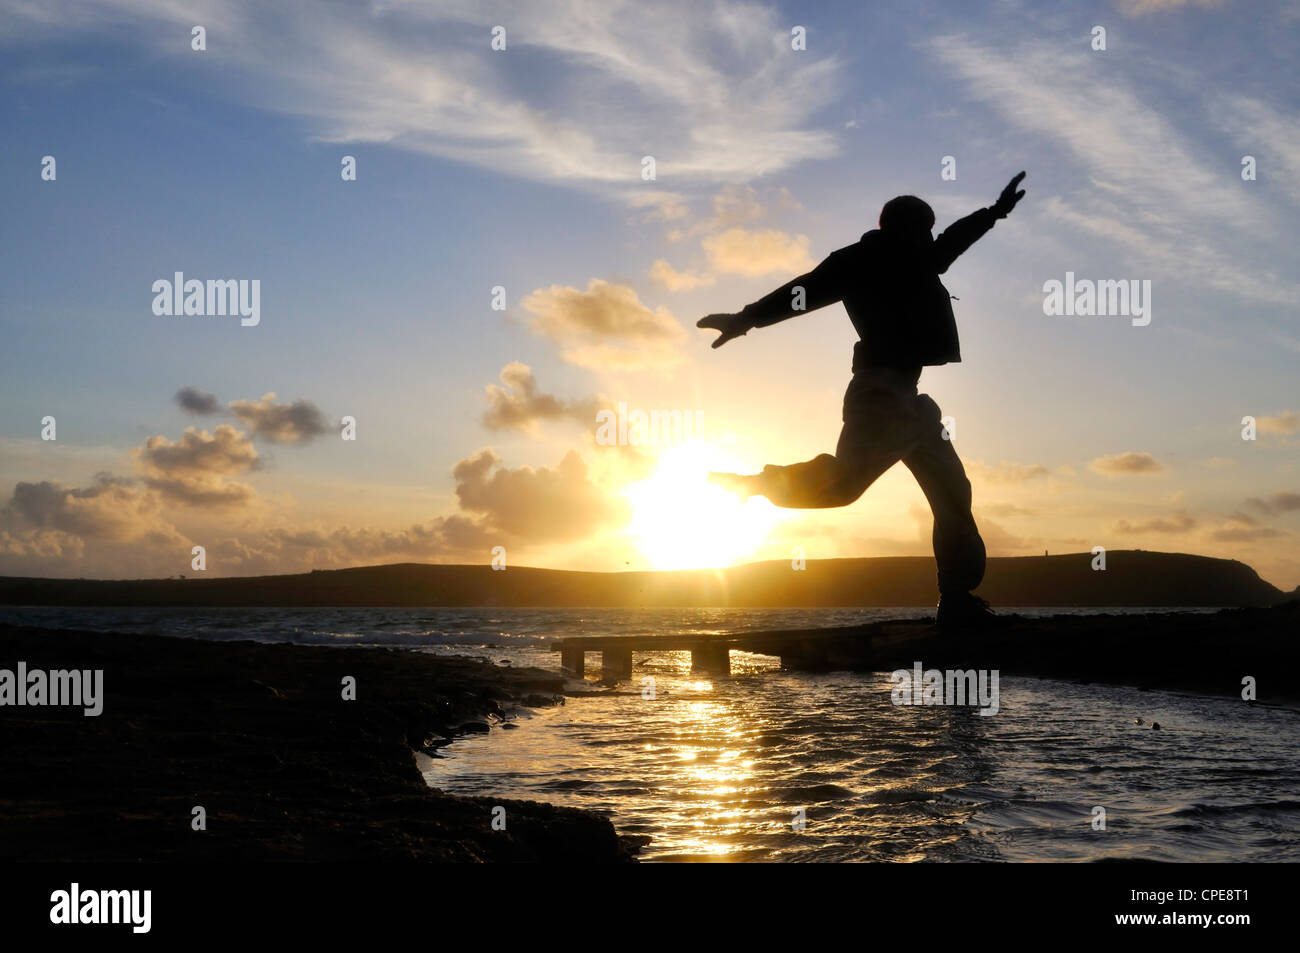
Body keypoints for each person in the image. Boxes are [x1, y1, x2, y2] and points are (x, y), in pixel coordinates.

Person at [698, 173, 1027, 627]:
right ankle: (754, 484)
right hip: (880, 396)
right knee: (841, 488)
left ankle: (956, 599)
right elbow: (802, 292)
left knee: (953, 492)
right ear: (902, 229)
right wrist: (746, 318)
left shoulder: (919, 256)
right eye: (924, 229)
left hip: (910, 400)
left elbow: (951, 242)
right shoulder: (858, 262)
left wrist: (993, 213)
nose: (930, 238)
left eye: (931, 231)